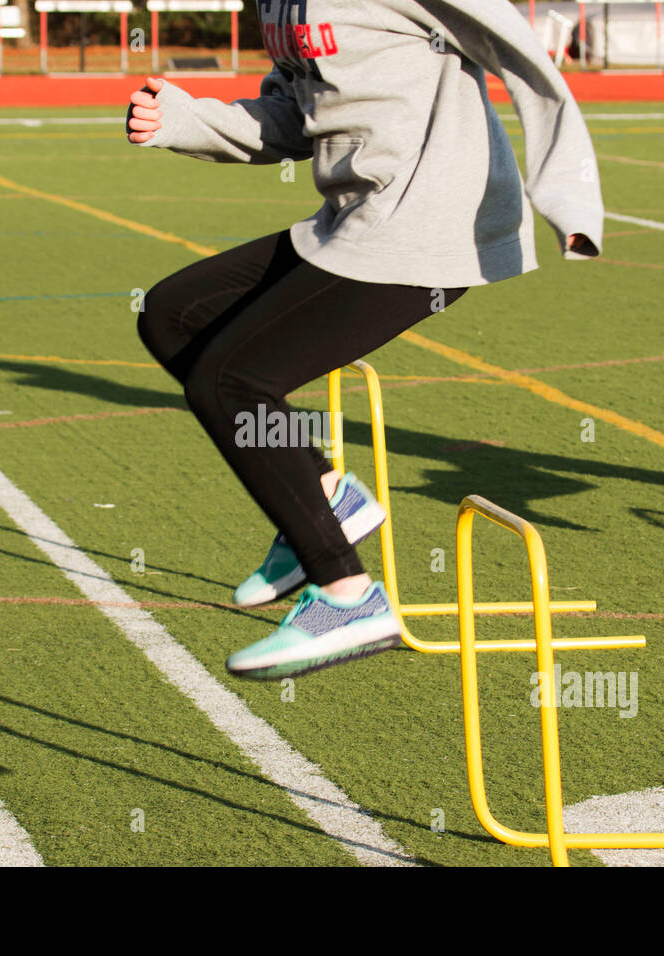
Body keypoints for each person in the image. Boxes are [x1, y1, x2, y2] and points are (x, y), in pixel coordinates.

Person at [129, 0, 602, 679]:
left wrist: (570, 198)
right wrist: (184, 119)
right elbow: (297, 119)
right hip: (355, 217)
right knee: (171, 314)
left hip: (432, 220)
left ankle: (348, 596)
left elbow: (520, 53)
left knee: (228, 379)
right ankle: (325, 495)